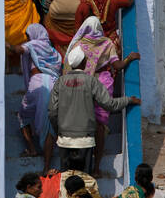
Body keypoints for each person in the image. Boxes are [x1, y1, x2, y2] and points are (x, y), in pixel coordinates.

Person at [65, 18, 139, 177]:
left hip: (83, 88)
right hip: (103, 85)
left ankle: (77, 168)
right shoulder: (107, 43)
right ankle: (97, 168)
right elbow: (117, 66)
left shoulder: (79, 45)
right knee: (99, 128)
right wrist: (129, 58)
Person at [46, 58, 139, 175]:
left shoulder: (60, 82)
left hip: (65, 141)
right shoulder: (91, 81)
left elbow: (52, 111)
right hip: (85, 140)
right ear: (84, 63)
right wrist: (128, 100)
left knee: (66, 180)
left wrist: (60, 130)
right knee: (86, 181)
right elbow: (109, 104)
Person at [15, 23, 62, 166]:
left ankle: (31, 148)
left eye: (28, 35)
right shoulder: (54, 52)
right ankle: (47, 165)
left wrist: (8, 46)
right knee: (49, 124)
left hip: (38, 83)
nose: (27, 38)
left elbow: (19, 50)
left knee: (23, 117)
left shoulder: (32, 45)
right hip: (54, 85)